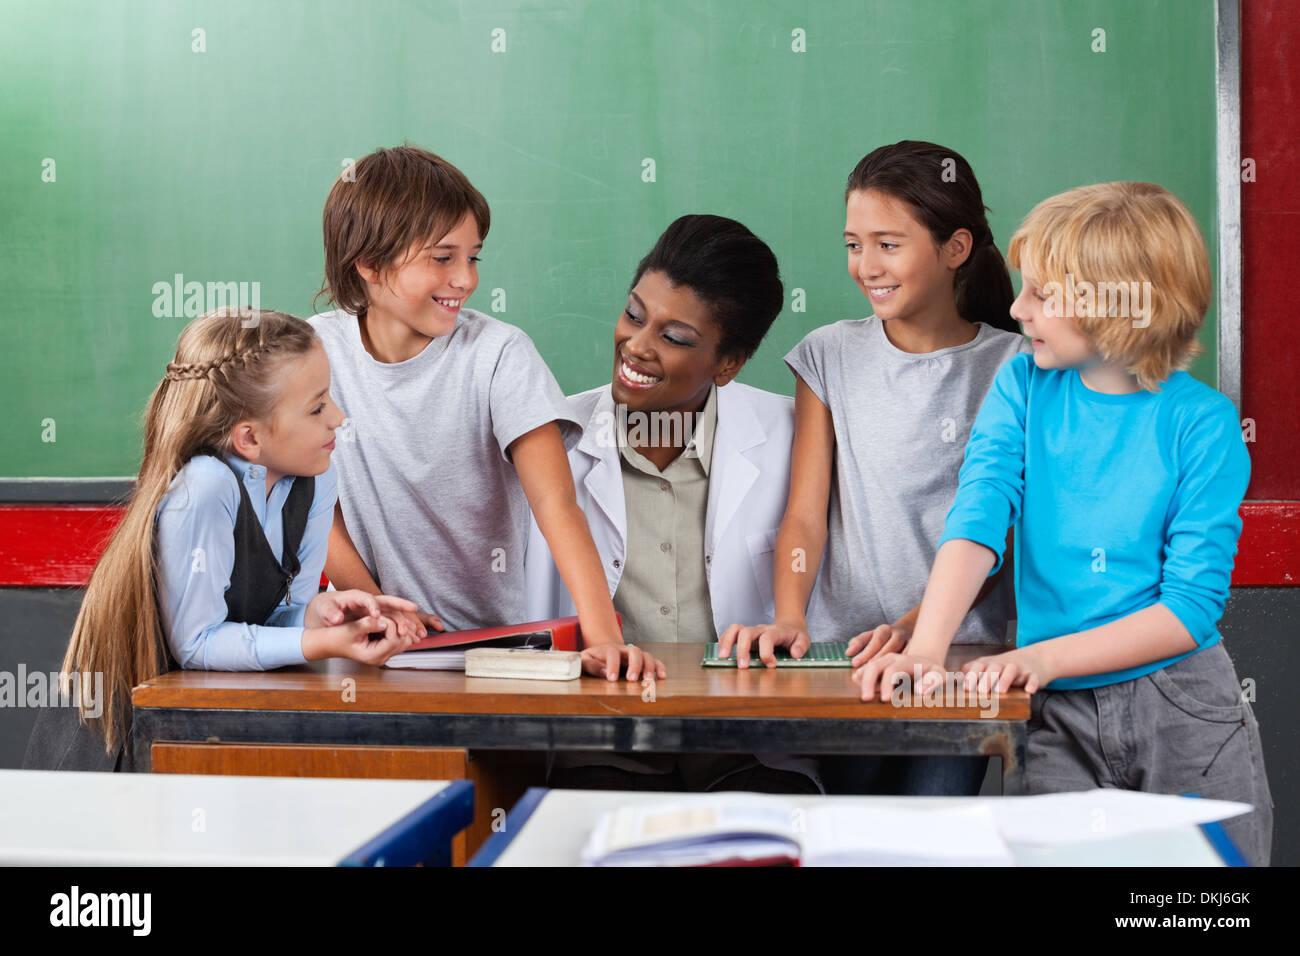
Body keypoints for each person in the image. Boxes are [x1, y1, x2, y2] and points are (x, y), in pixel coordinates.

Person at [854, 182, 1274, 865]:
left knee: (1198, 911)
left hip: (1182, 708)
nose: (1017, 310)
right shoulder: (1022, 386)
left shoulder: (1202, 425)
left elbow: (1189, 610)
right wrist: (926, 648)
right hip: (1057, 715)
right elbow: (979, 516)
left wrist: (1039, 659)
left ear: (1117, 302)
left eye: (1042, 294)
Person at [721, 141, 1028, 795]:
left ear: (956, 248)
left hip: (955, 660)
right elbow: (805, 515)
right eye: (854, 245)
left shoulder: (1015, 365)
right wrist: (789, 618)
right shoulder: (829, 354)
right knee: (848, 836)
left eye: (889, 244)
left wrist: (920, 628)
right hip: (845, 657)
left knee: (929, 840)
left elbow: (995, 534)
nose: (866, 266)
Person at [311, 145, 663, 681]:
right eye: (442, 257)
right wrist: (379, 607)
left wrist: (605, 638)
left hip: (490, 655)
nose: (465, 279)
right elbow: (312, 498)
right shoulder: (312, 354)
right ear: (370, 264)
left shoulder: (500, 354)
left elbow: (556, 502)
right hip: (368, 651)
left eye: (473, 257)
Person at [25, 307, 422, 772]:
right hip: (122, 743)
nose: (337, 417)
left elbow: (274, 617)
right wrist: (322, 644)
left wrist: (320, 615)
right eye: (316, 407)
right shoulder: (206, 486)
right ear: (249, 438)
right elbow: (197, 643)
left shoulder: (315, 480)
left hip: (202, 726)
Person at [526, 214, 818, 792]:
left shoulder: (792, 437)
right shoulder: (550, 439)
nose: (637, 345)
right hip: (597, 745)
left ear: (728, 364)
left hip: (746, 746)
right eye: (635, 314)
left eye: (675, 337)